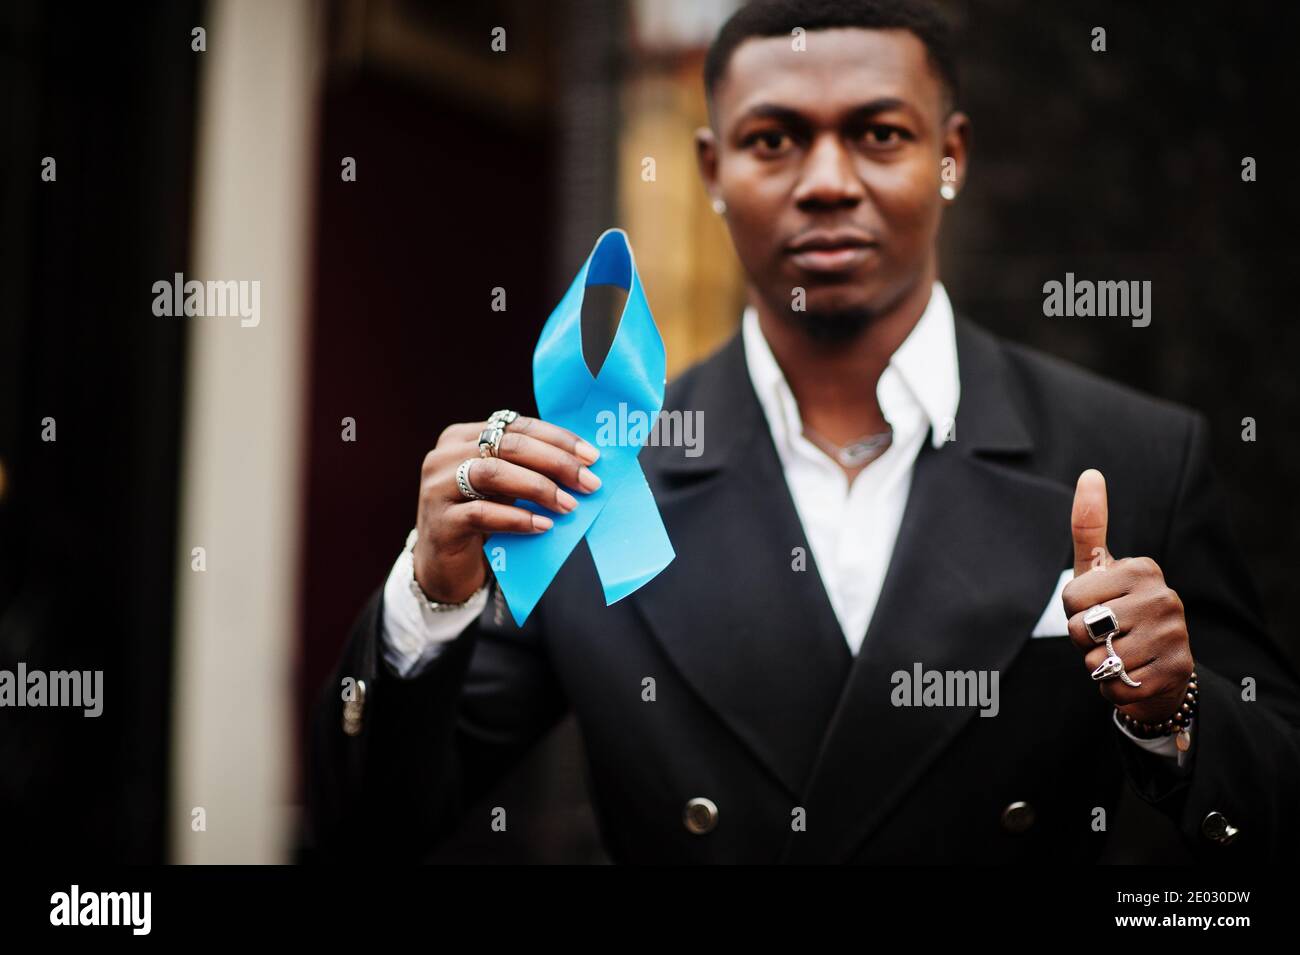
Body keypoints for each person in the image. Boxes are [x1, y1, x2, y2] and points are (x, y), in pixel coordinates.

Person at [308, 0, 1300, 863]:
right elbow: (371, 831)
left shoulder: (1132, 454)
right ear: (710, 168)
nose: (825, 179)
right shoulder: (590, 473)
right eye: (773, 138)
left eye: (878, 133)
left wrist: (1176, 713)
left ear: (949, 156)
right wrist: (428, 596)